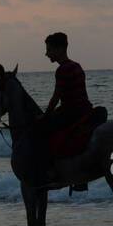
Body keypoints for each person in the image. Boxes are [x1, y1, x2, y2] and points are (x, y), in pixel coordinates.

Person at [36, 31, 94, 187]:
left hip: (71, 111)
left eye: (49, 50)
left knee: (41, 131)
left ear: (60, 49)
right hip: (85, 109)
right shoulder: (77, 66)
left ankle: (51, 171)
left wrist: (45, 116)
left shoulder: (62, 70)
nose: (47, 54)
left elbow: (56, 97)